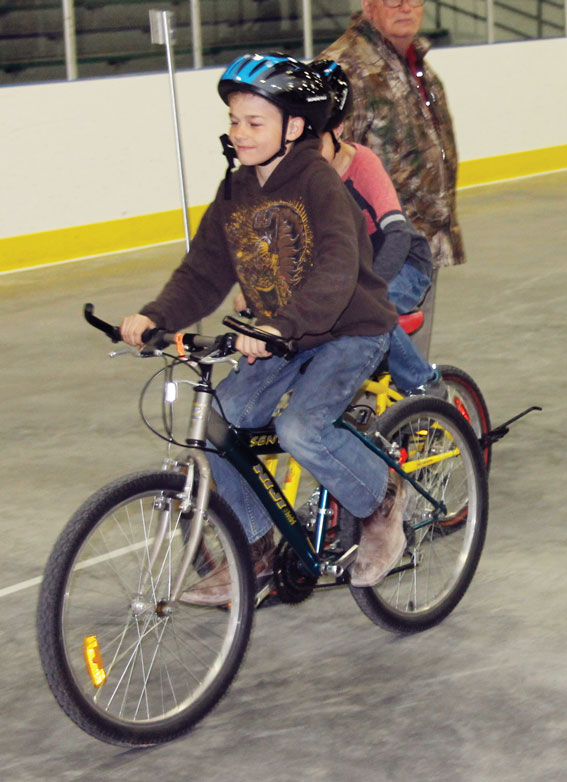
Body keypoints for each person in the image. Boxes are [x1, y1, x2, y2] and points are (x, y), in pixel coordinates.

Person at [119, 53, 408, 601]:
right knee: (220, 418)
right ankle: (254, 553)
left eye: (255, 123)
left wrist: (281, 325)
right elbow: (204, 271)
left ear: (293, 127)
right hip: (284, 335)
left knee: (303, 429)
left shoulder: (318, 183)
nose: (240, 133)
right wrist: (158, 315)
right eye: (234, 121)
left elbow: (338, 268)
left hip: (349, 330)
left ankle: (381, 500)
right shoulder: (236, 192)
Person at [315, 0, 463, 357]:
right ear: (367, 5)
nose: (403, 5)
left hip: (418, 246)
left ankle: (412, 412)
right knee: (360, 367)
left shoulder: (414, 65)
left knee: (404, 382)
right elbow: (321, 168)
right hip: (372, 256)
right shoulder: (343, 68)